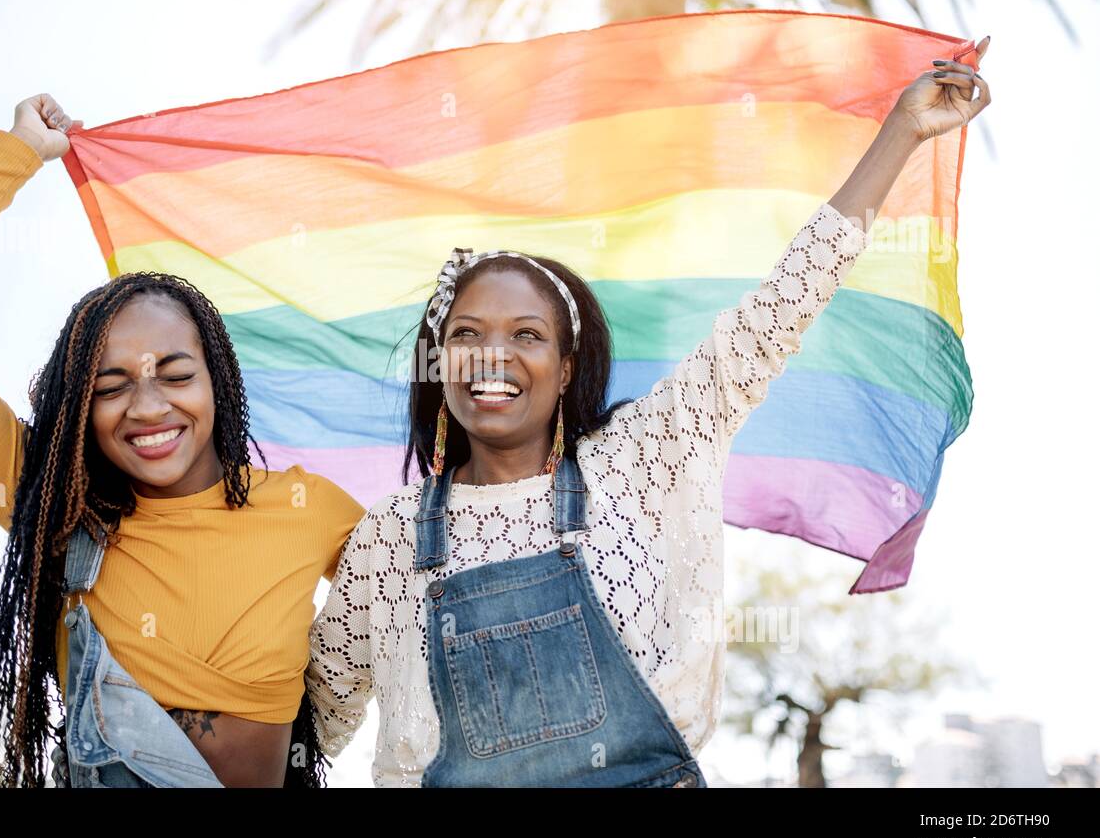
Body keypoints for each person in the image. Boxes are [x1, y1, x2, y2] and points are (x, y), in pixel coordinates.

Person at [306, 42, 992, 786]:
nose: (492, 356)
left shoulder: (639, 460)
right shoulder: (390, 535)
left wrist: (902, 132)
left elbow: (775, 314)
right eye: (466, 335)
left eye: (526, 335)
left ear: (566, 368)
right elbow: (306, 725)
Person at [0, 94, 365, 787]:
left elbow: (432, 593)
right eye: (110, 384)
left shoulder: (310, 507)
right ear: (79, 408)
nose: (147, 406)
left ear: (217, 380)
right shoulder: (58, 511)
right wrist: (17, 153)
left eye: (175, 374)